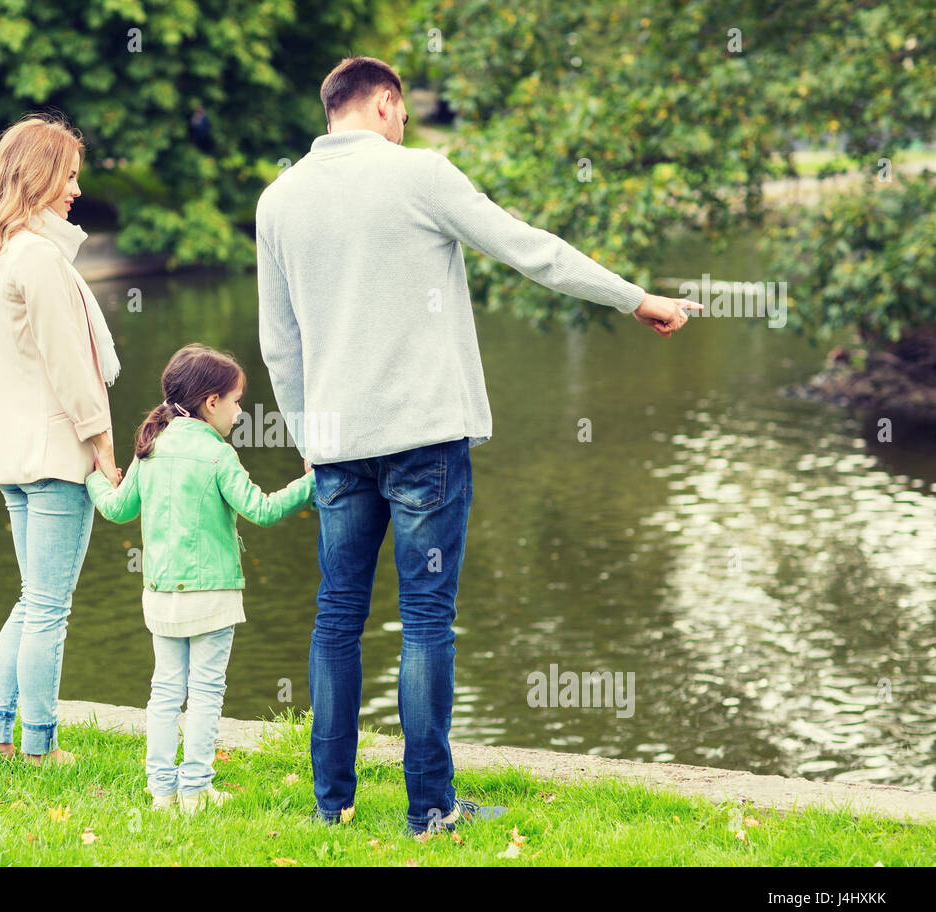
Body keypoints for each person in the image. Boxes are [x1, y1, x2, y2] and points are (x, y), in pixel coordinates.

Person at [255, 56, 701, 835]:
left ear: (331, 111)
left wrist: (305, 436)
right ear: (387, 105)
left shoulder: (278, 200)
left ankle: (334, 807)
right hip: (424, 438)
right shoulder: (419, 175)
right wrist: (637, 298)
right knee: (426, 617)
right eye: (402, 112)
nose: (404, 125)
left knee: (336, 618)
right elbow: (531, 250)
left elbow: (277, 342)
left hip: (335, 445)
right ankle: (429, 809)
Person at [0, 113, 124, 766]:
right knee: (49, 609)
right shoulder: (40, 259)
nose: (76, 191)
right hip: (56, 456)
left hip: (13, 455)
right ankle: (40, 748)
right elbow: (71, 368)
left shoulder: (1, 255)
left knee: (32, 602)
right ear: (41, 176)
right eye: (70, 177)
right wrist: (103, 447)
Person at [86, 344, 314, 813]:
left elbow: (116, 508)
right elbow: (263, 510)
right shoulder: (217, 455)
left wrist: (95, 478)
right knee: (207, 691)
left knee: (165, 690)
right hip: (213, 596)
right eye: (235, 402)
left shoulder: (150, 450)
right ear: (211, 402)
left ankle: (161, 791)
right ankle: (195, 790)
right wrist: (313, 482)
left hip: (161, 596)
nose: (238, 412)